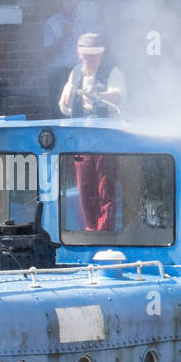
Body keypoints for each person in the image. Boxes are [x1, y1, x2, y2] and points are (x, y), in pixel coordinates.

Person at [58, 33, 124, 231]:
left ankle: (104, 231)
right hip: (82, 139)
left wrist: (98, 96)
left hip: (105, 138)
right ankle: (90, 228)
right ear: (80, 54)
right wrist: (68, 100)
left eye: (94, 56)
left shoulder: (113, 72)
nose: (90, 60)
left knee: (105, 188)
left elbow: (118, 97)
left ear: (101, 55)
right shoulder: (75, 74)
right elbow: (64, 106)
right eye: (87, 56)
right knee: (85, 187)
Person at [42, 0, 96, 116]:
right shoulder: (52, 23)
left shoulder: (85, 22)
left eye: (71, 1)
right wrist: (64, 36)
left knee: (80, 109)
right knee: (59, 111)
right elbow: (48, 54)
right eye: (65, 1)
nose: (67, 4)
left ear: (77, 3)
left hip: (79, 71)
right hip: (58, 73)